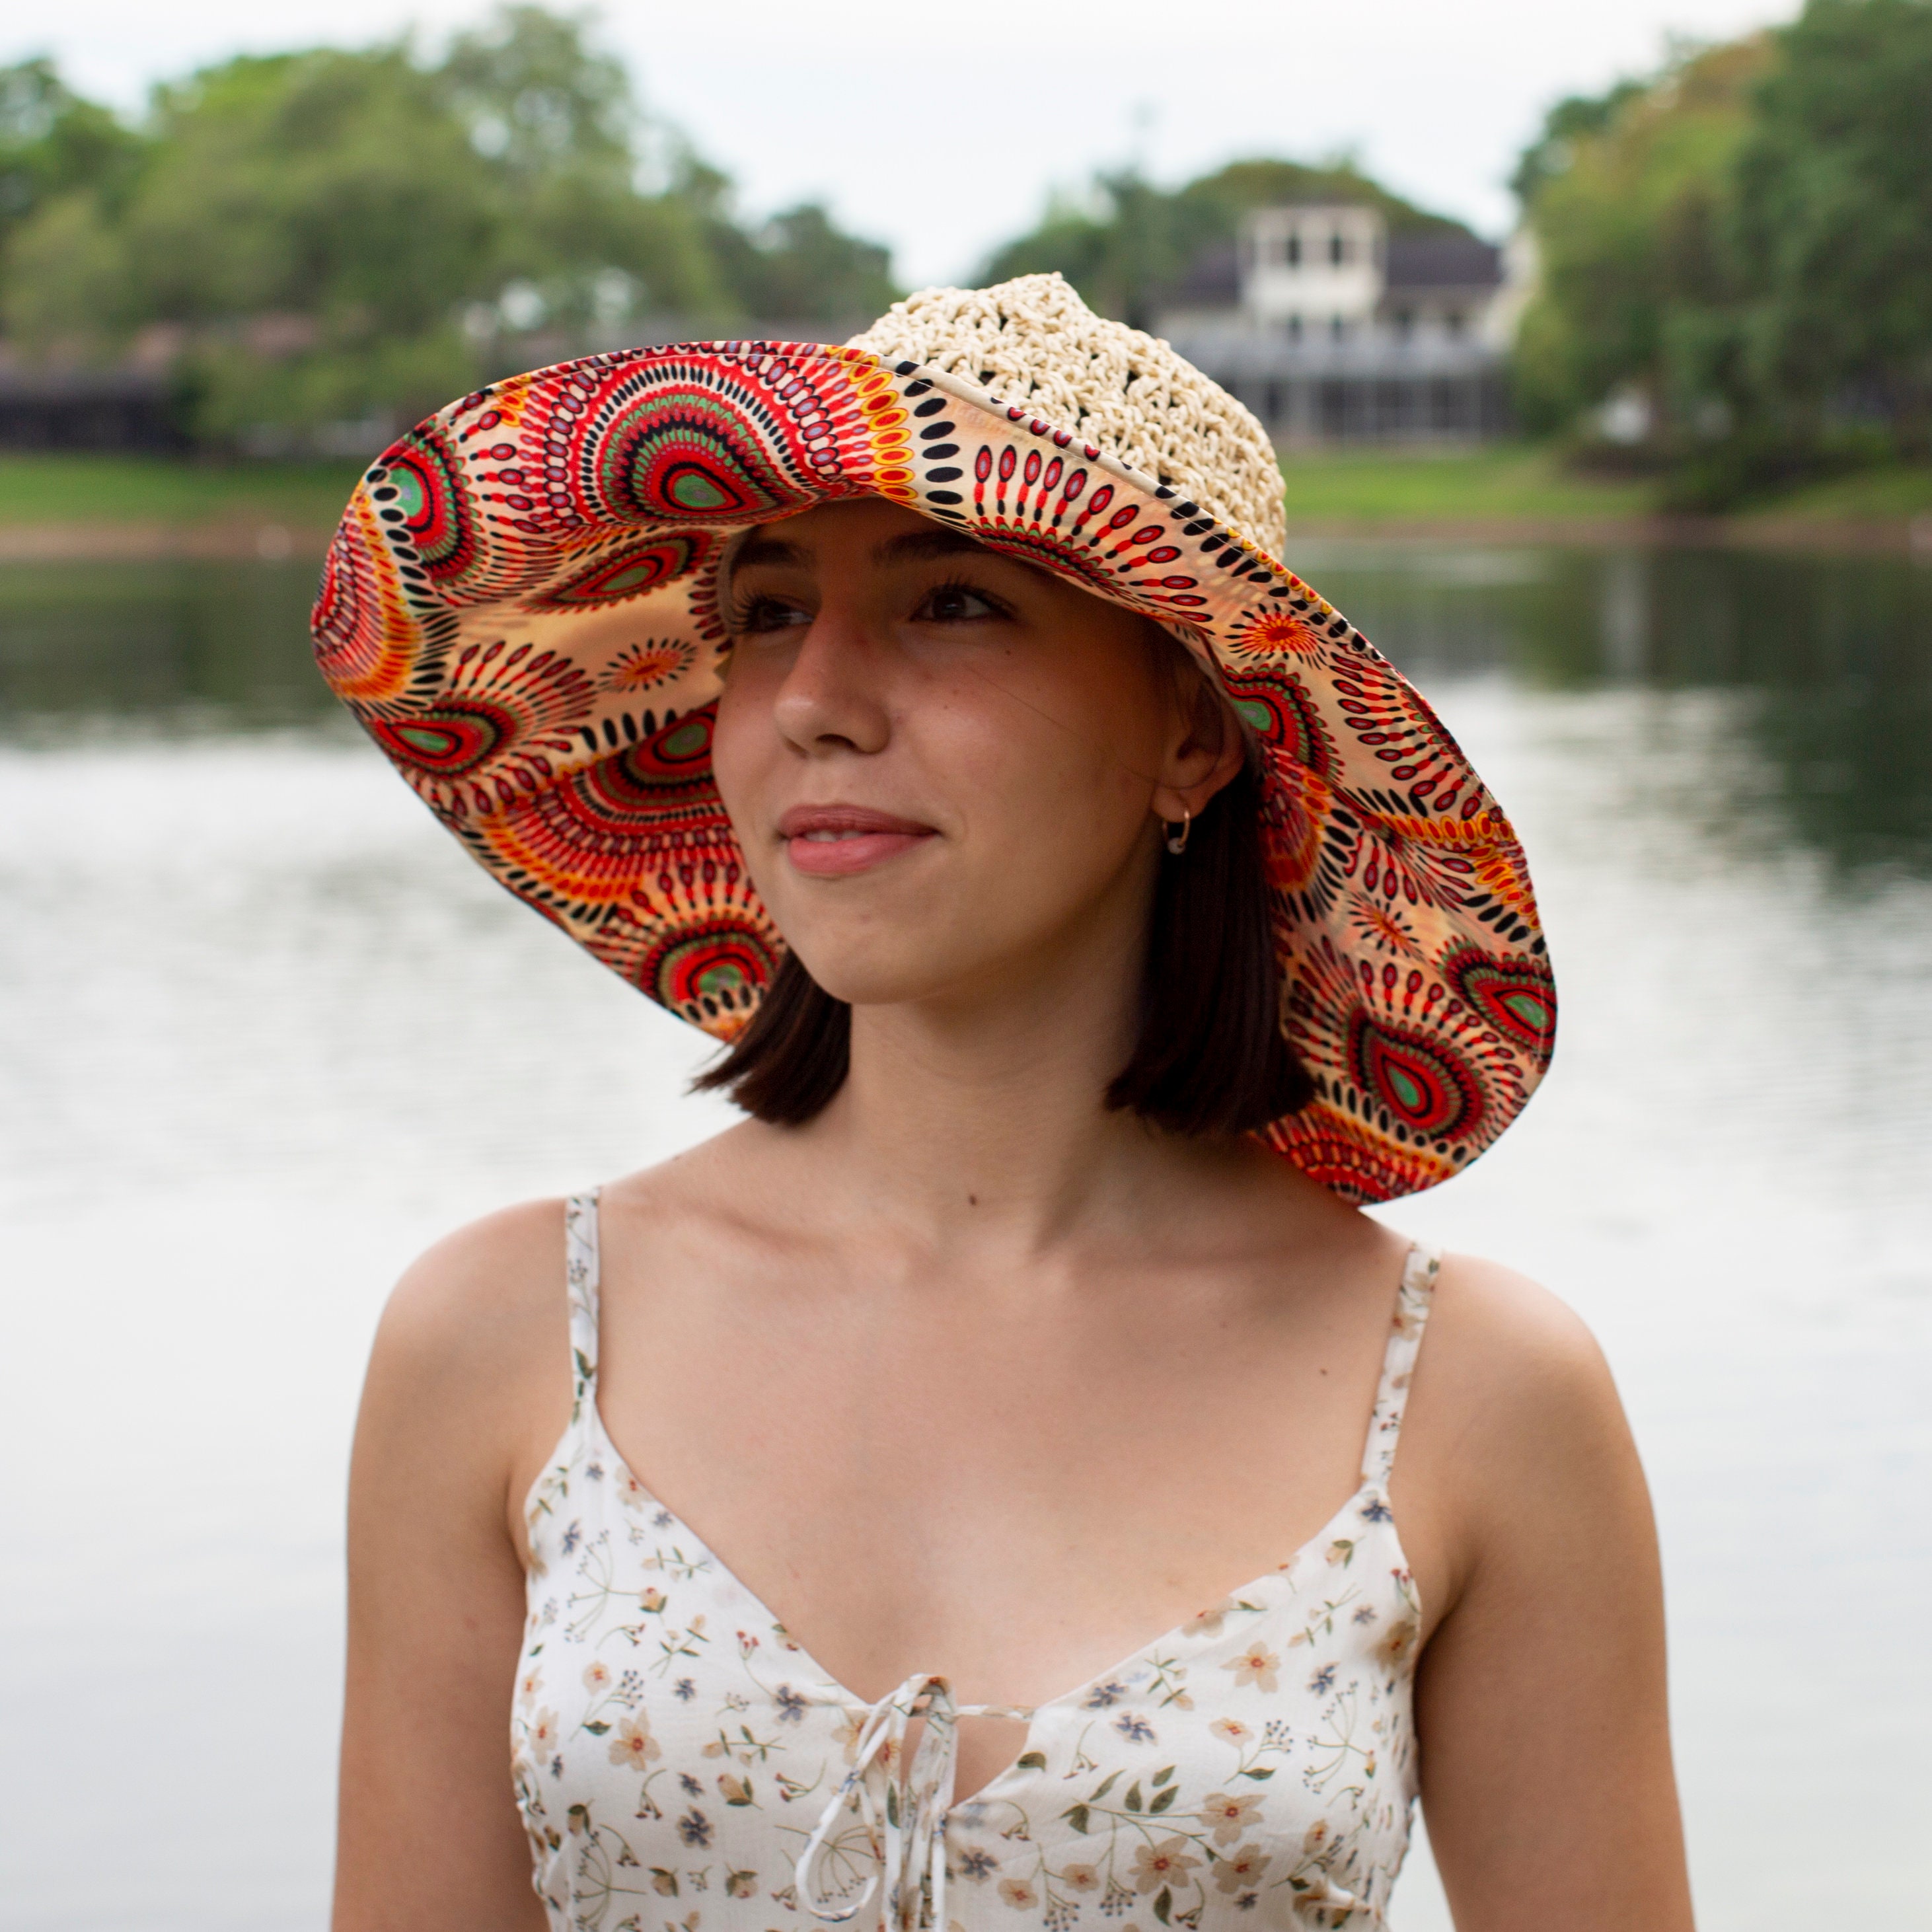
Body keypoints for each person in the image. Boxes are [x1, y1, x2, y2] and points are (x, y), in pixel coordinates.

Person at [318, 275, 1692, 1931]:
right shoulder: (510, 1337)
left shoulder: (1472, 1394)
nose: (816, 697)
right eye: (762, 614)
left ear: (1190, 728)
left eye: (954, 602)